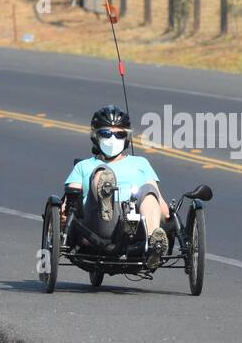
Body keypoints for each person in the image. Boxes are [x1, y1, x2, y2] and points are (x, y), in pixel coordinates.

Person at [64, 105, 170, 269]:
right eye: (106, 133)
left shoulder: (141, 163)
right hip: (98, 225)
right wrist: (63, 215)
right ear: (95, 136)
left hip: (136, 221)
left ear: (126, 137)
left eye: (119, 134)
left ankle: (153, 243)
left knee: (148, 190)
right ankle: (105, 195)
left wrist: (168, 217)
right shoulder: (84, 166)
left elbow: (163, 208)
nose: (112, 139)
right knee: (101, 173)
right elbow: (69, 201)